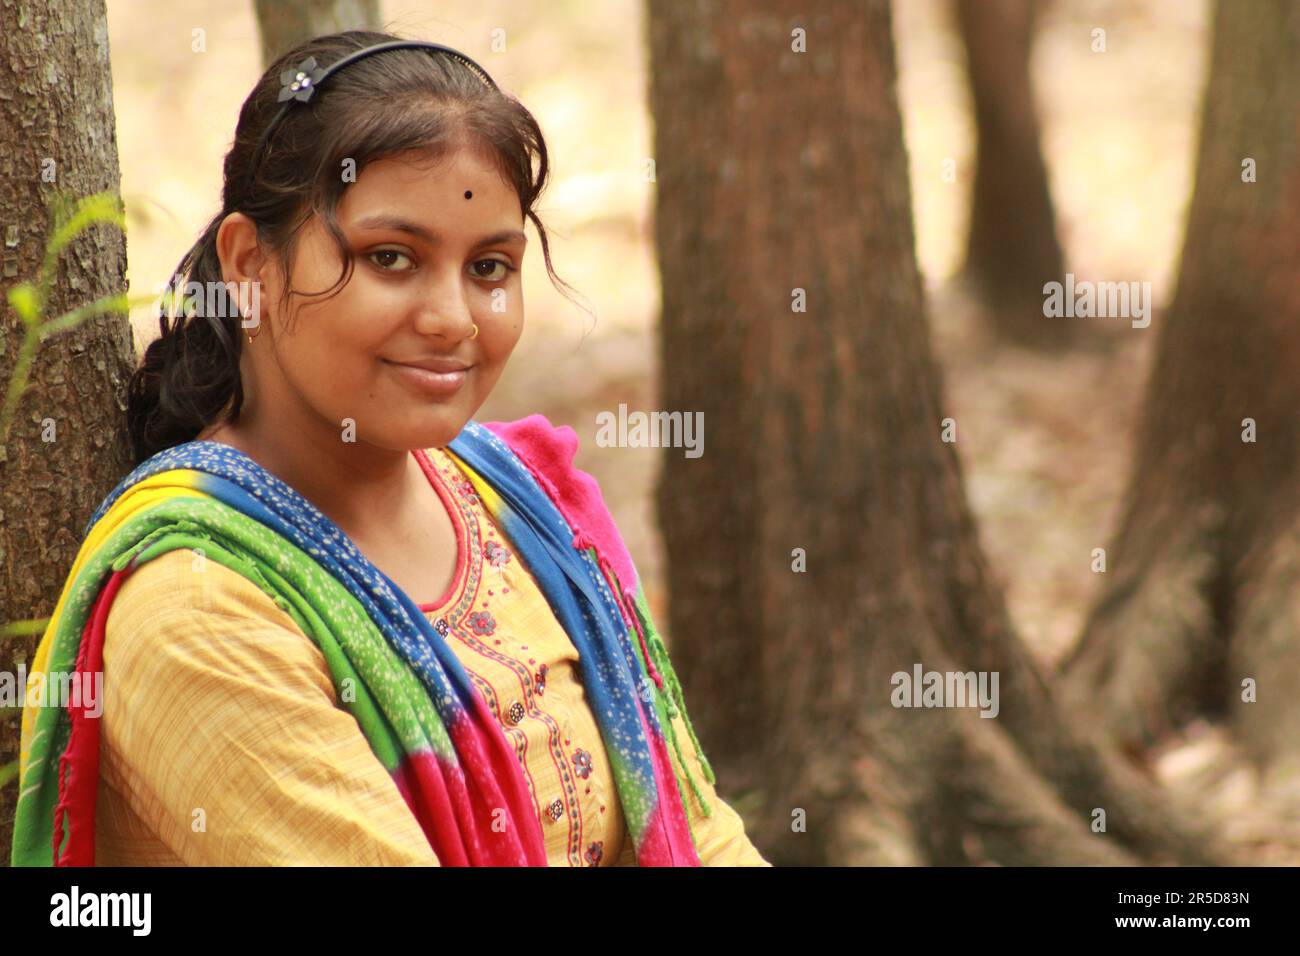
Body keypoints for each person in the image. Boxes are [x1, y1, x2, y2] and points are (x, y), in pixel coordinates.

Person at [11, 30, 768, 868]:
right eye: (391, 257)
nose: (452, 319)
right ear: (250, 265)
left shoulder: (514, 504)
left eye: (489, 267)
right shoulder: (198, 613)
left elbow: (705, 836)